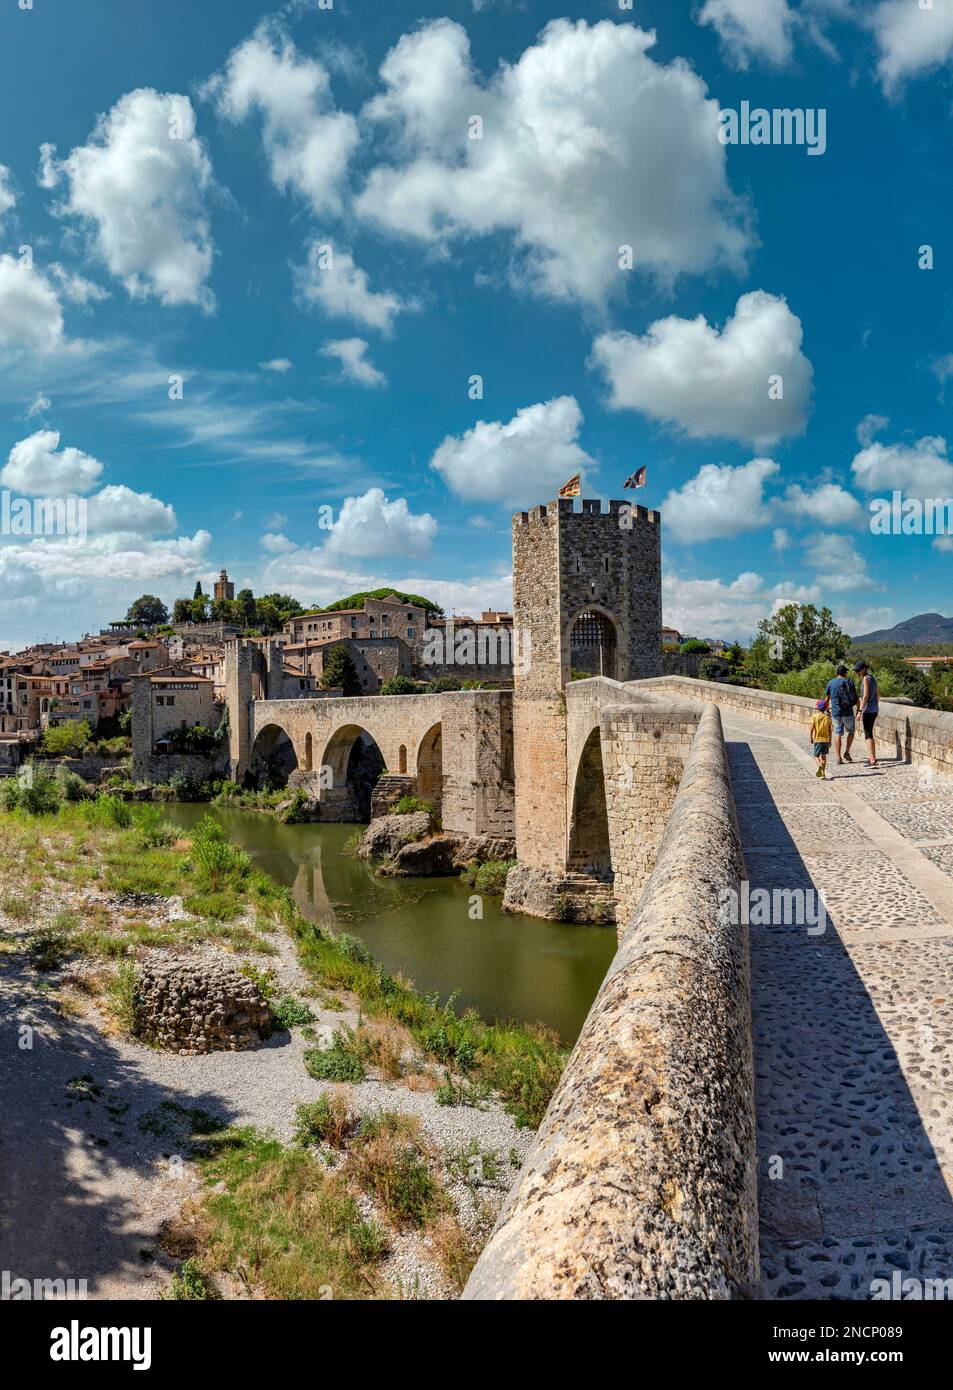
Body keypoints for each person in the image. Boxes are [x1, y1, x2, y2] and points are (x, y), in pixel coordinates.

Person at [825, 663, 858, 765]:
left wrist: (826, 709)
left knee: (837, 734)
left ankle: (838, 757)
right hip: (848, 712)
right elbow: (856, 699)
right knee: (851, 732)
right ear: (845, 673)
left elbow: (827, 699)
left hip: (836, 712)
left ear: (837, 673)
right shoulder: (849, 682)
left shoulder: (831, 683)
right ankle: (847, 752)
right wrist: (859, 710)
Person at [855, 661, 880, 766]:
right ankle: (873, 757)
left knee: (868, 735)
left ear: (864, 669)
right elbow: (877, 695)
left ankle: (872, 760)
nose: (857, 672)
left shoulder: (865, 679)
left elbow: (864, 696)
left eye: (858, 670)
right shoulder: (872, 678)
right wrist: (875, 705)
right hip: (874, 709)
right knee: (870, 733)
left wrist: (860, 711)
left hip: (868, 710)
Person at [810, 697, 833, 779]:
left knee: (816, 756)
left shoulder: (814, 717)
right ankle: (823, 773)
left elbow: (812, 728)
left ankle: (819, 765)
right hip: (825, 740)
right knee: (824, 756)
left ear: (817, 708)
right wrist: (830, 740)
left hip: (817, 739)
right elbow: (830, 730)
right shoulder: (827, 718)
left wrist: (811, 737)